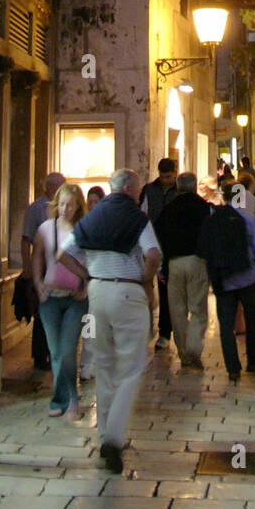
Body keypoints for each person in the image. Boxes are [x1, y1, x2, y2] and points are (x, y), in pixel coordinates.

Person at [58, 169, 160, 474]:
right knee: (131, 366)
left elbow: (63, 255)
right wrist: (145, 279)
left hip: (98, 293)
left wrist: (87, 275)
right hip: (128, 292)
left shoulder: (91, 217)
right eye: (138, 188)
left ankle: (103, 434)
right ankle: (113, 438)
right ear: (128, 188)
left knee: (103, 365)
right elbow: (153, 254)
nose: (139, 193)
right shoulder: (137, 217)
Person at [197, 177, 255, 384]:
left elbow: (204, 249)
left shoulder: (213, 219)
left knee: (226, 324)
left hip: (223, 279)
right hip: (247, 277)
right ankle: (253, 361)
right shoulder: (250, 219)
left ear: (224, 198)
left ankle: (233, 368)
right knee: (252, 319)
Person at [32, 182, 89, 421]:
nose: (66, 209)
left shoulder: (84, 229)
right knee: (56, 353)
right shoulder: (46, 228)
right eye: (62, 204)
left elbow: (91, 260)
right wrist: (38, 285)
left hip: (75, 298)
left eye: (71, 205)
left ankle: (73, 400)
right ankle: (60, 399)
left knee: (67, 350)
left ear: (78, 207)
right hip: (51, 299)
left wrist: (86, 286)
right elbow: (36, 257)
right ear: (57, 204)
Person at [154, 172, 210, 369]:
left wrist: (160, 266)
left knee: (177, 309)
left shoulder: (168, 209)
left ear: (177, 188)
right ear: (195, 187)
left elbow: (158, 237)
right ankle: (194, 345)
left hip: (174, 263)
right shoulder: (204, 207)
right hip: (197, 261)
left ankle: (184, 354)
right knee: (198, 308)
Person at [21, 172, 65, 371]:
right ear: (48, 188)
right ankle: (40, 356)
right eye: (58, 186)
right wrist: (27, 269)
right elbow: (26, 239)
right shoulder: (36, 209)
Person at [140, 158, 177, 350]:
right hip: (150, 244)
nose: (165, 180)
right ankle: (146, 329)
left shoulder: (179, 191)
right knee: (145, 286)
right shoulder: (149, 190)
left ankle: (165, 333)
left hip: (170, 246)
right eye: (162, 177)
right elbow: (141, 214)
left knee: (165, 290)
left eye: (168, 177)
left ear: (175, 173)